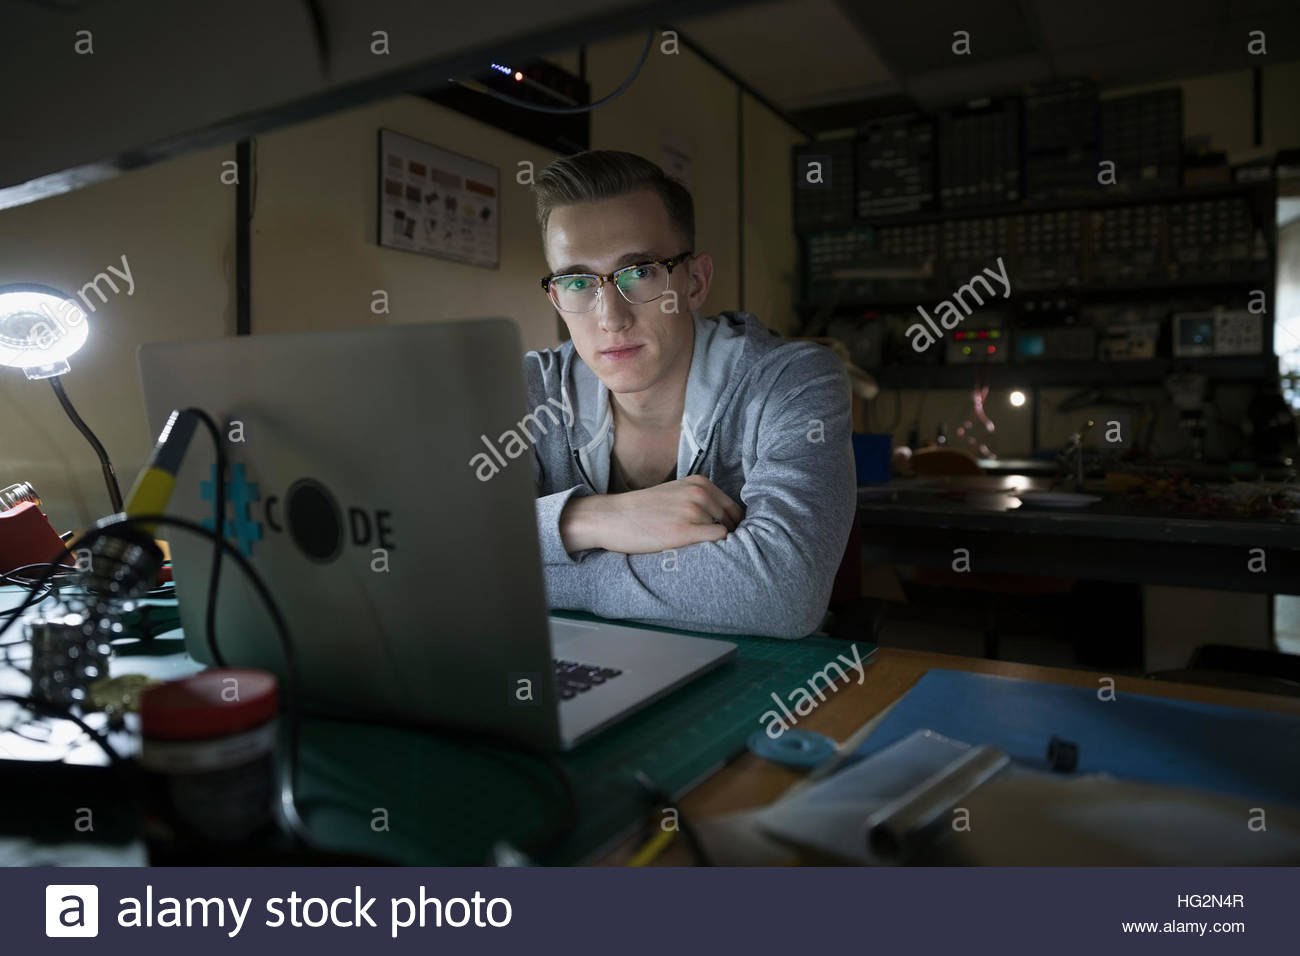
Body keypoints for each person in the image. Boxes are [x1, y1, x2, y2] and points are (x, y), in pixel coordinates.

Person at [524, 150, 854, 638]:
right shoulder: (533, 388)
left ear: (695, 281)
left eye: (639, 272)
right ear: (556, 296)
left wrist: (533, 563)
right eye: (578, 281)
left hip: (758, 686)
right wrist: (591, 517)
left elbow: (785, 593)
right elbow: (432, 550)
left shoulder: (793, 382)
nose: (610, 318)